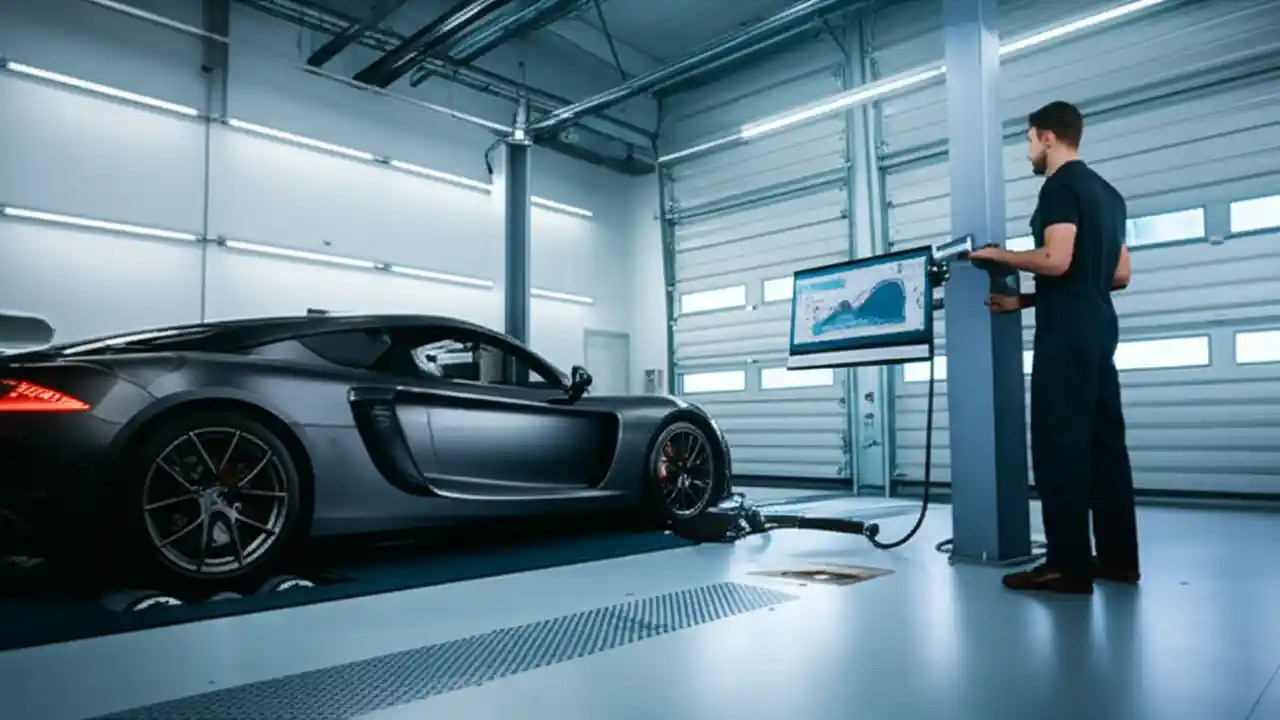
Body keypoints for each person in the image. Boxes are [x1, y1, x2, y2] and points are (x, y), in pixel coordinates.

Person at [967, 101, 1141, 595]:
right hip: (1099, 330)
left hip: (1064, 337)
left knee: (1059, 445)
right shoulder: (1109, 195)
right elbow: (1117, 274)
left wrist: (1000, 255)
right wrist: (1022, 300)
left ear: (1047, 137)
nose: (1027, 151)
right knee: (1106, 447)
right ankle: (1118, 560)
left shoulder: (1060, 186)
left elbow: (1057, 258)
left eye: (1028, 140)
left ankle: (1067, 565)